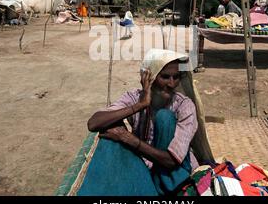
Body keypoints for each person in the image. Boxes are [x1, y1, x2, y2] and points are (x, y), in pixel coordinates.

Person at [78, 49, 214, 196]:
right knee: (111, 127)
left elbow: (170, 161)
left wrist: (128, 139)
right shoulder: (134, 98)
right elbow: (94, 123)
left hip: (173, 178)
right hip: (145, 169)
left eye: (176, 77)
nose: (172, 83)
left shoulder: (184, 106)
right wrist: (139, 105)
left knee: (164, 118)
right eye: (165, 77)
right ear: (149, 77)